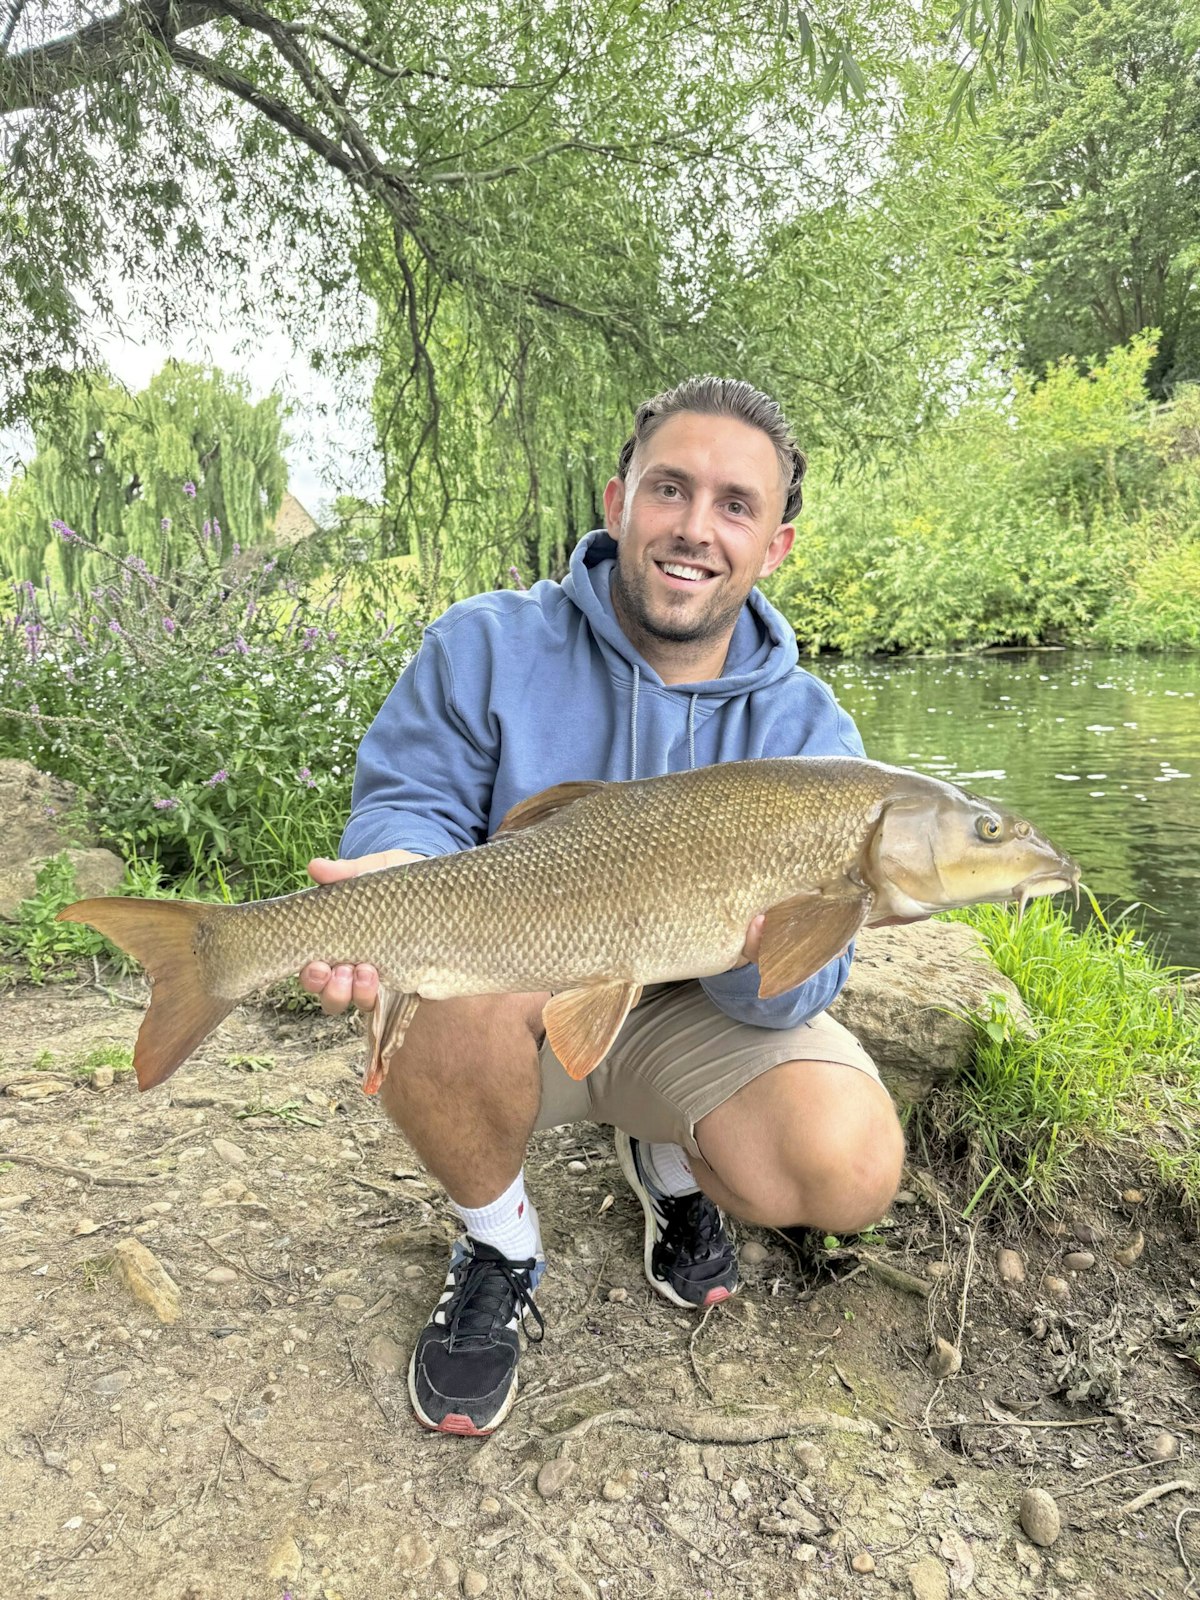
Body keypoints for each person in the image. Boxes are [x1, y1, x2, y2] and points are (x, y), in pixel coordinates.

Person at [299, 376, 905, 1437]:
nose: (694, 528)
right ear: (620, 501)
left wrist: (767, 937)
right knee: (436, 974)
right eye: (670, 489)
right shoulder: (486, 643)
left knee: (850, 1163)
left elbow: (788, 1001)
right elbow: (410, 802)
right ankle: (499, 1239)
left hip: (690, 1010)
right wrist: (392, 875)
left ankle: (668, 1165)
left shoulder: (813, 732)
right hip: (520, 991)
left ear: (776, 546)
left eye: (734, 505)